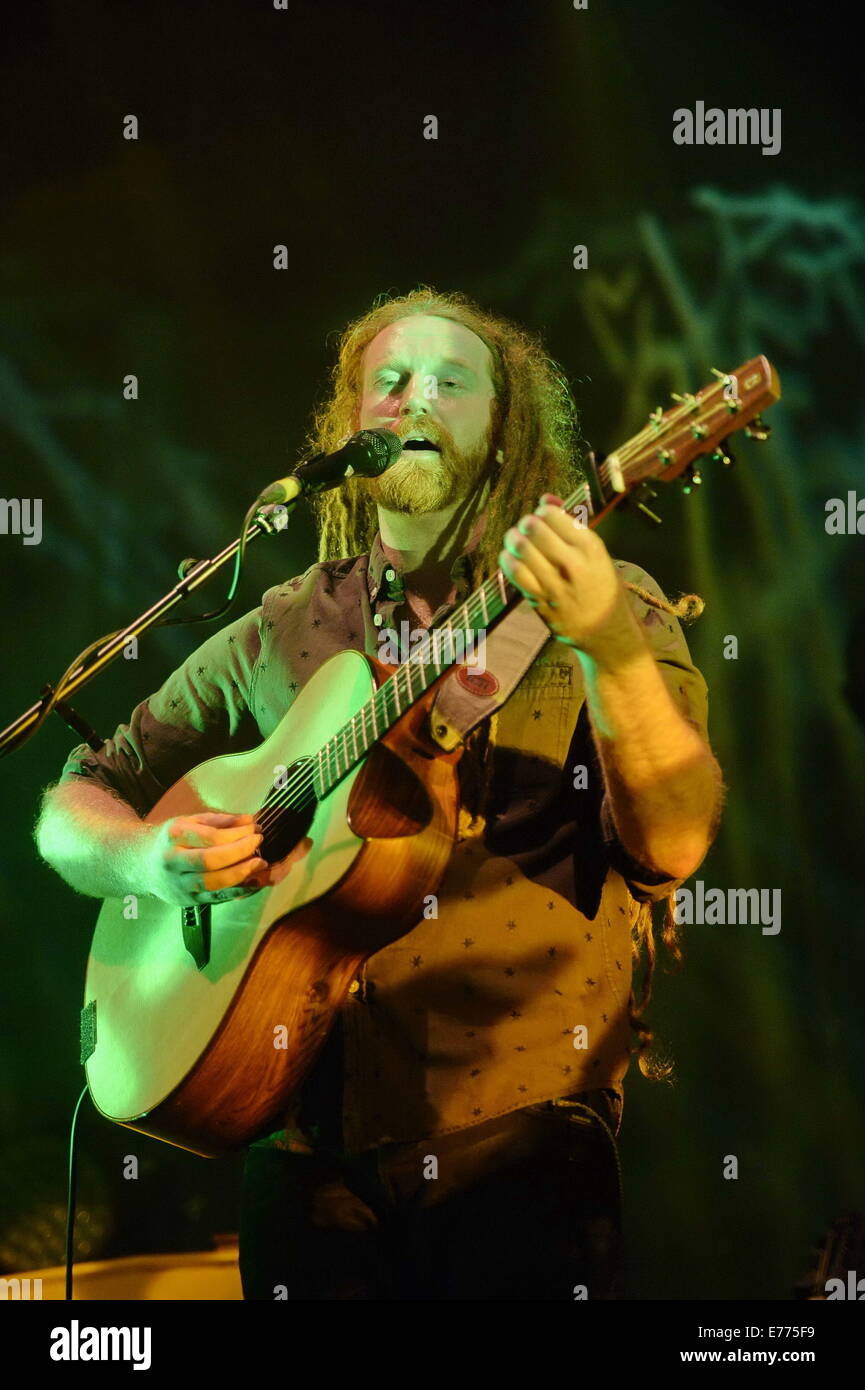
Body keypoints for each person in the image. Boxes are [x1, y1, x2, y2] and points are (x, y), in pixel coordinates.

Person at [36, 287, 723, 1300]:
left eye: (452, 383)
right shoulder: (285, 623)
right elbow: (77, 800)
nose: (413, 402)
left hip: (519, 1139)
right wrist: (145, 857)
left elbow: (673, 844)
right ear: (347, 426)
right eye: (388, 382)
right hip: (299, 1150)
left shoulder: (605, 599)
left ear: (506, 427)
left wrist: (610, 643)